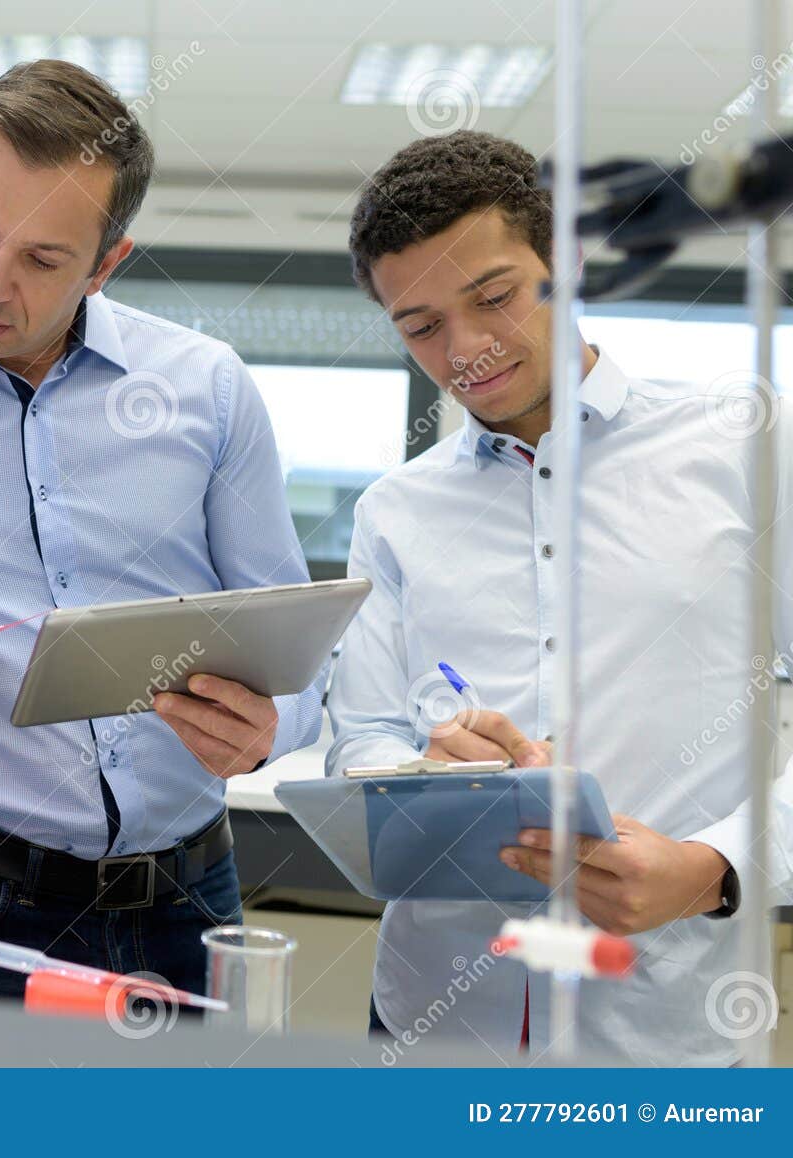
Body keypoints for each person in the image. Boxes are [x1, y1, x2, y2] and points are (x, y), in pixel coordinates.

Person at [0, 60, 324, 999]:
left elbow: (291, 641)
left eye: (43, 260)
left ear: (106, 263)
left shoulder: (206, 390)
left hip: (188, 898)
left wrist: (266, 731)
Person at [328, 129, 793, 1064]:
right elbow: (360, 746)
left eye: (494, 296)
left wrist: (718, 869)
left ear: (568, 259)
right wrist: (424, 771)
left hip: (669, 1035)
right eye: (419, 326)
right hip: (434, 1024)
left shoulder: (748, 450)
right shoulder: (395, 512)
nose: (465, 350)